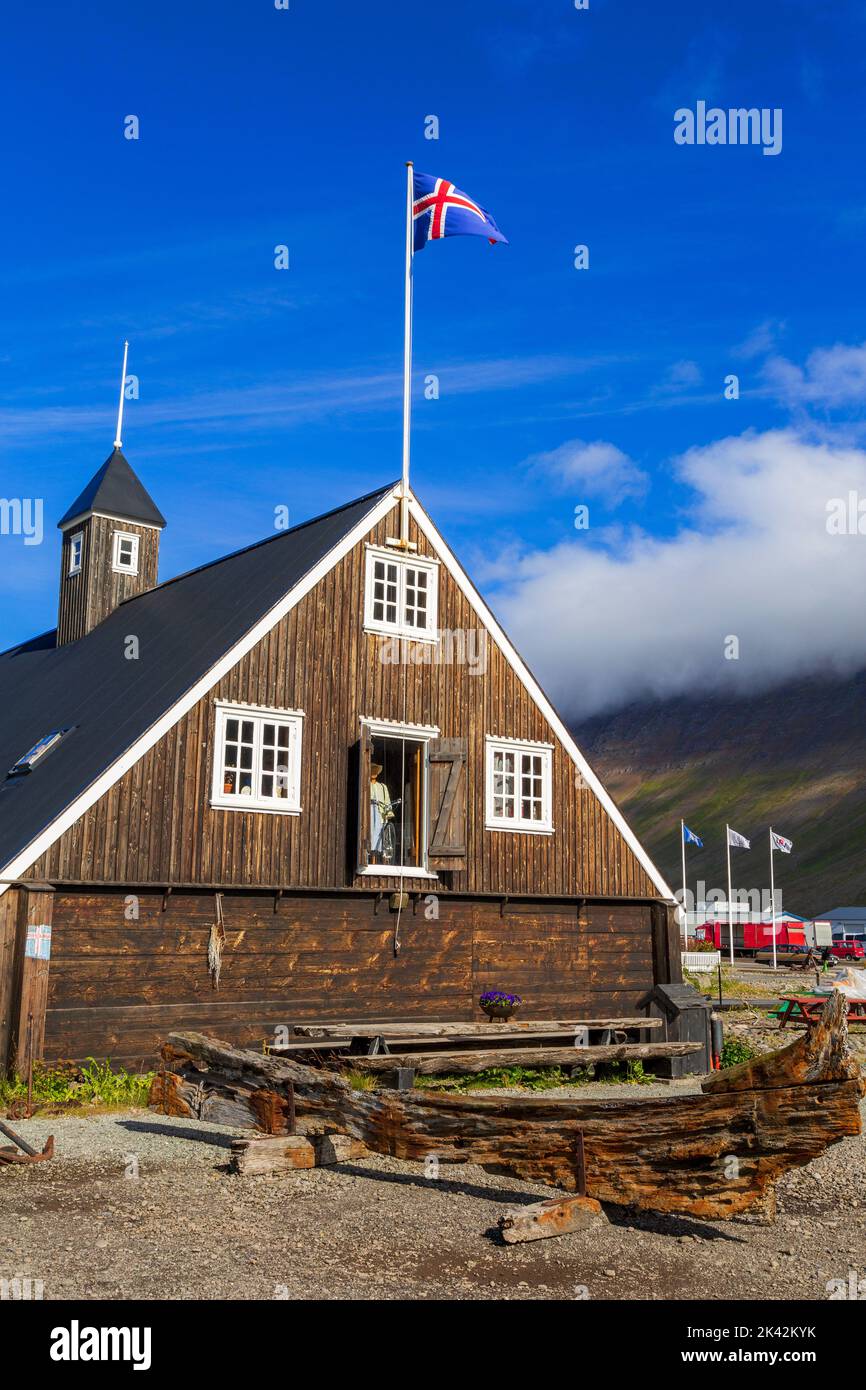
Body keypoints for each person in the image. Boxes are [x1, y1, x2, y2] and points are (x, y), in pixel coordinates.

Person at [370, 762, 395, 863]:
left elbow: (387, 801)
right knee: (371, 835)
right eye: (372, 769)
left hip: (380, 814)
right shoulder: (366, 785)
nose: (374, 772)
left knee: (380, 837)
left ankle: (379, 856)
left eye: (376, 770)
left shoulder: (383, 787)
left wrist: (388, 812)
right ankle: (371, 857)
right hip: (370, 814)